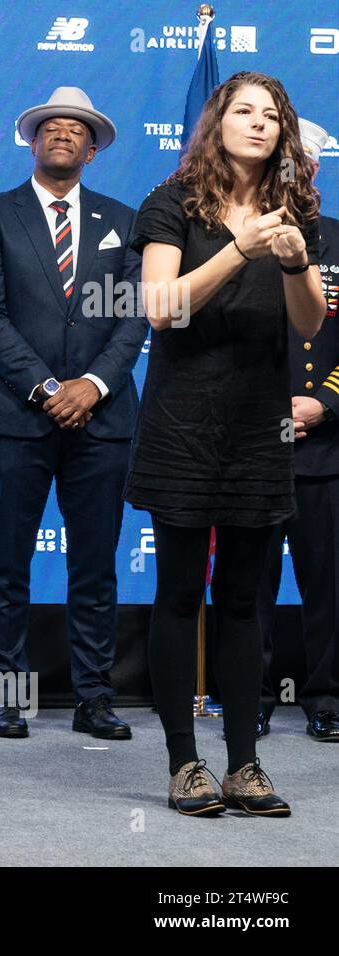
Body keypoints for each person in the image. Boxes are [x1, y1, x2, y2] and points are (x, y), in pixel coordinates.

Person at [129, 72, 325, 816]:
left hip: (257, 427)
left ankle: (245, 764)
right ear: (217, 123)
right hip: (183, 424)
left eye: (271, 115)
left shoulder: (294, 209)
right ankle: (185, 762)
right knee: (180, 593)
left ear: (284, 132)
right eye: (243, 110)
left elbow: (309, 322)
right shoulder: (172, 202)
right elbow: (160, 307)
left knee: (244, 600)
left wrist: (294, 261)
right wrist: (240, 249)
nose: (259, 123)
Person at [0, 87, 146, 741]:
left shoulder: (125, 220)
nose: (63, 133)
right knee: (9, 559)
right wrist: (47, 389)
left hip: (103, 417)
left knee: (95, 565)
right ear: (33, 141)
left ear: (92, 150)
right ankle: (8, 697)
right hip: (16, 415)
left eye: (76, 129)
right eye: (51, 126)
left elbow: (135, 316)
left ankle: (94, 697)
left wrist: (91, 385)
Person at [256, 118, 339, 743]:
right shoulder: (242, 240)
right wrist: (266, 406)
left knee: (329, 584)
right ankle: (249, 696)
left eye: (302, 165)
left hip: (328, 445)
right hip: (253, 441)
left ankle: (327, 696)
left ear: (314, 172)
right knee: (248, 585)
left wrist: (324, 404)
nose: (294, 175)